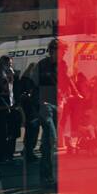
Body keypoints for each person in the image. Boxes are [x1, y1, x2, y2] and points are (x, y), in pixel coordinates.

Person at [32, 39, 60, 185]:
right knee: (51, 138)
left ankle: (46, 176)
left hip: (57, 106)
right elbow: (33, 85)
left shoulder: (63, 65)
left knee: (48, 143)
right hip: (46, 106)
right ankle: (48, 176)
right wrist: (39, 102)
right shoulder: (42, 65)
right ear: (52, 51)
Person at [0, 55, 16, 164]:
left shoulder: (8, 74)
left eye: (11, 64)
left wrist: (12, 75)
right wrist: (5, 105)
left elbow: (11, 89)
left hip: (9, 105)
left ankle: (7, 154)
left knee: (10, 131)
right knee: (2, 132)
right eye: (9, 64)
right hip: (2, 107)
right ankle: (1, 155)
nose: (10, 66)